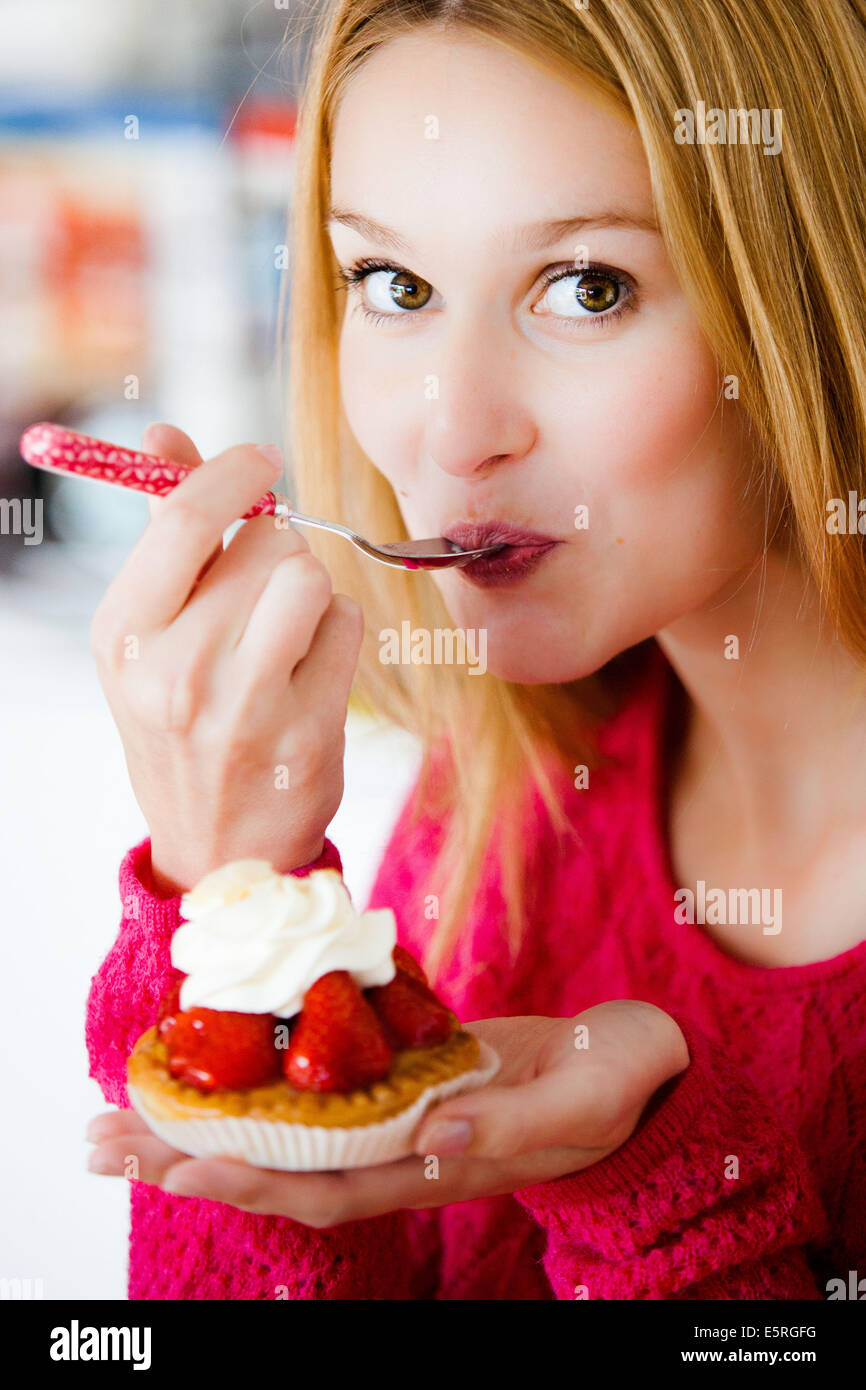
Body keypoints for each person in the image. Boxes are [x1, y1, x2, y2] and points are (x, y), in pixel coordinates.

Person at [84, 0, 866, 1299]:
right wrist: (240, 890)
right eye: (393, 286)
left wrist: (653, 1180)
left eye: (585, 288)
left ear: (813, 283)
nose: (448, 438)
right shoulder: (500, 806)